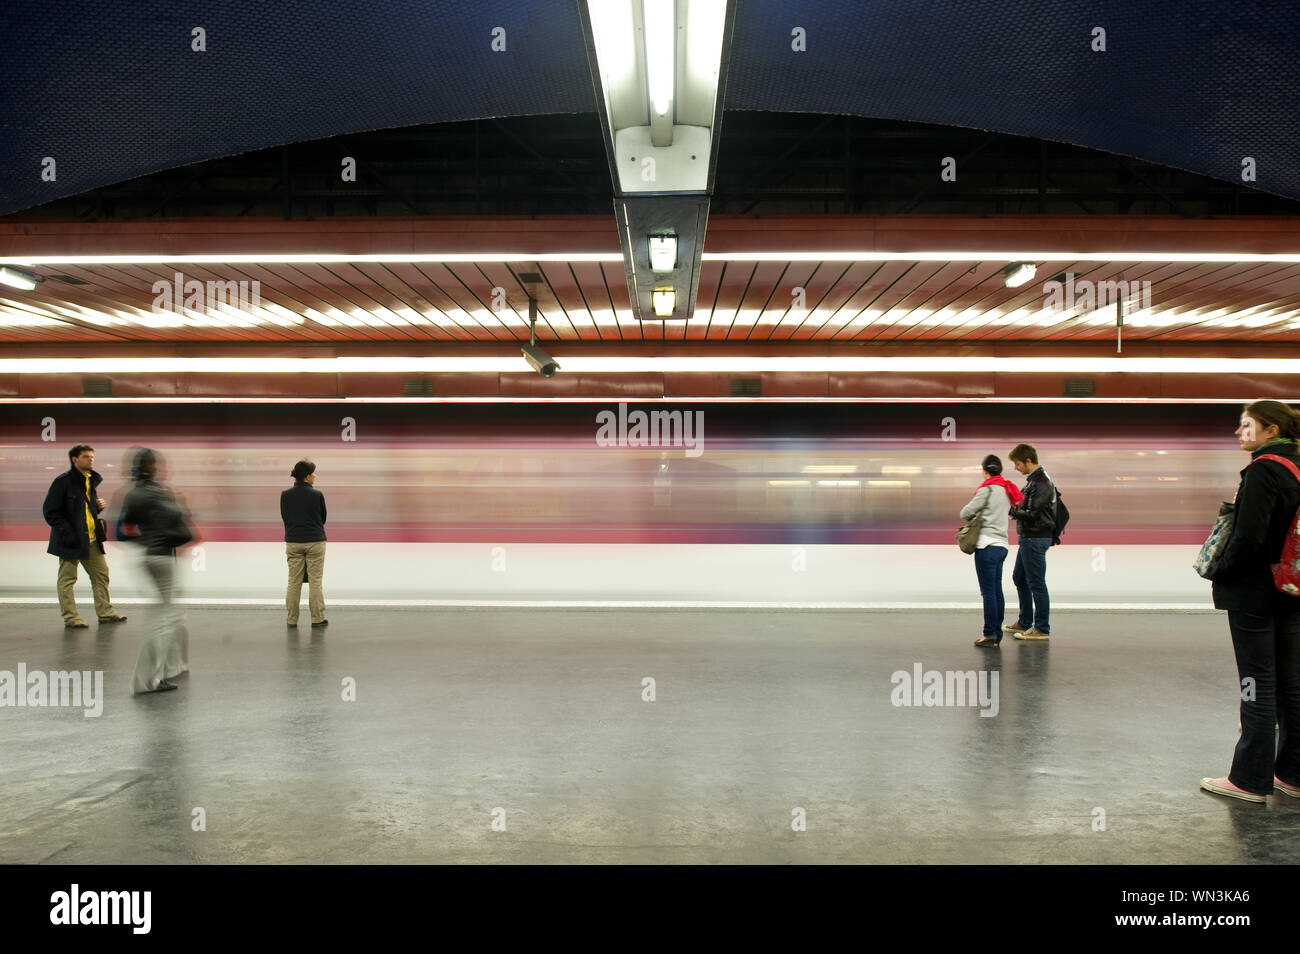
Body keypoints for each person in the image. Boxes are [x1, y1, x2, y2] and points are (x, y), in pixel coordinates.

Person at [1201, 400, 1300, 803]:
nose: (1239, 432)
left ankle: (1249, 779)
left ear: (1271, 430)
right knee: (1291, 685)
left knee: (1254, 684)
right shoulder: (1297, 467)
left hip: (1255, 593)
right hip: (1292, 589)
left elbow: (1249, 538)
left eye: (1246, 425)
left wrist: (1220, 569)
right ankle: (1292, 775)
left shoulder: (1264, 470)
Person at [120, 448, 190, 694]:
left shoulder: (133, 494)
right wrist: (180, 506)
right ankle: (148, 680)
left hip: (148, 557)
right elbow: (182, 527)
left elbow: (124, 529)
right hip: (162, 558)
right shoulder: (161, 493)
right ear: (151, 467)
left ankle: (171, 667)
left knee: (169, 616)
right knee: (163, 620)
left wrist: (143, 543)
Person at [42, 443, 127, 628]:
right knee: (68, 579)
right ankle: (71, 617)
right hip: (70, 540)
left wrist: (97, 507)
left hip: (91, 538)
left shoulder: (90, 480)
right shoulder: (63, 482)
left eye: (92, 457)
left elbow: (84, 511)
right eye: (87, 456)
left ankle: (105, 613)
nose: (91, 459)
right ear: (75, 459)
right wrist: (68, 532)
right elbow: (50, 512)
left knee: (101, 575)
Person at [962, 455, 1023, 647]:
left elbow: (965, 513)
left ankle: (989, 635)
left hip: (986, 545)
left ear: (985, 470)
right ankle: (996, 633)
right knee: (996, 591)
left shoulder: (987, 489)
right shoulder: (1006, 490)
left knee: (987, 592)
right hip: (1002, 545)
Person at [1004, 443, 1055, 641]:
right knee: (1020, 578)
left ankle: (1042, 628)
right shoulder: (1033, 480)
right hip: (1029, 538)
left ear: (1028, 461)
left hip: (1035, 537)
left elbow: (1032, 513)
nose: (1015, 468)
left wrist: (1012, 511)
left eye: (1017, 464)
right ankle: (1025, 621)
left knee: (1036, 583)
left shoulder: (1041, 482)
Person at [282, 459, 328, 627]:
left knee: (294, 581)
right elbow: (323, 518)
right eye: (313, 473)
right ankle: (317, 618)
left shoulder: (285, 495)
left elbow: (285, 517)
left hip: (293, 541)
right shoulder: (317, 495)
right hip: (315, 541)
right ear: (307, 477)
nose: (315, 475)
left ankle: (291, 619)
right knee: (315, 581)